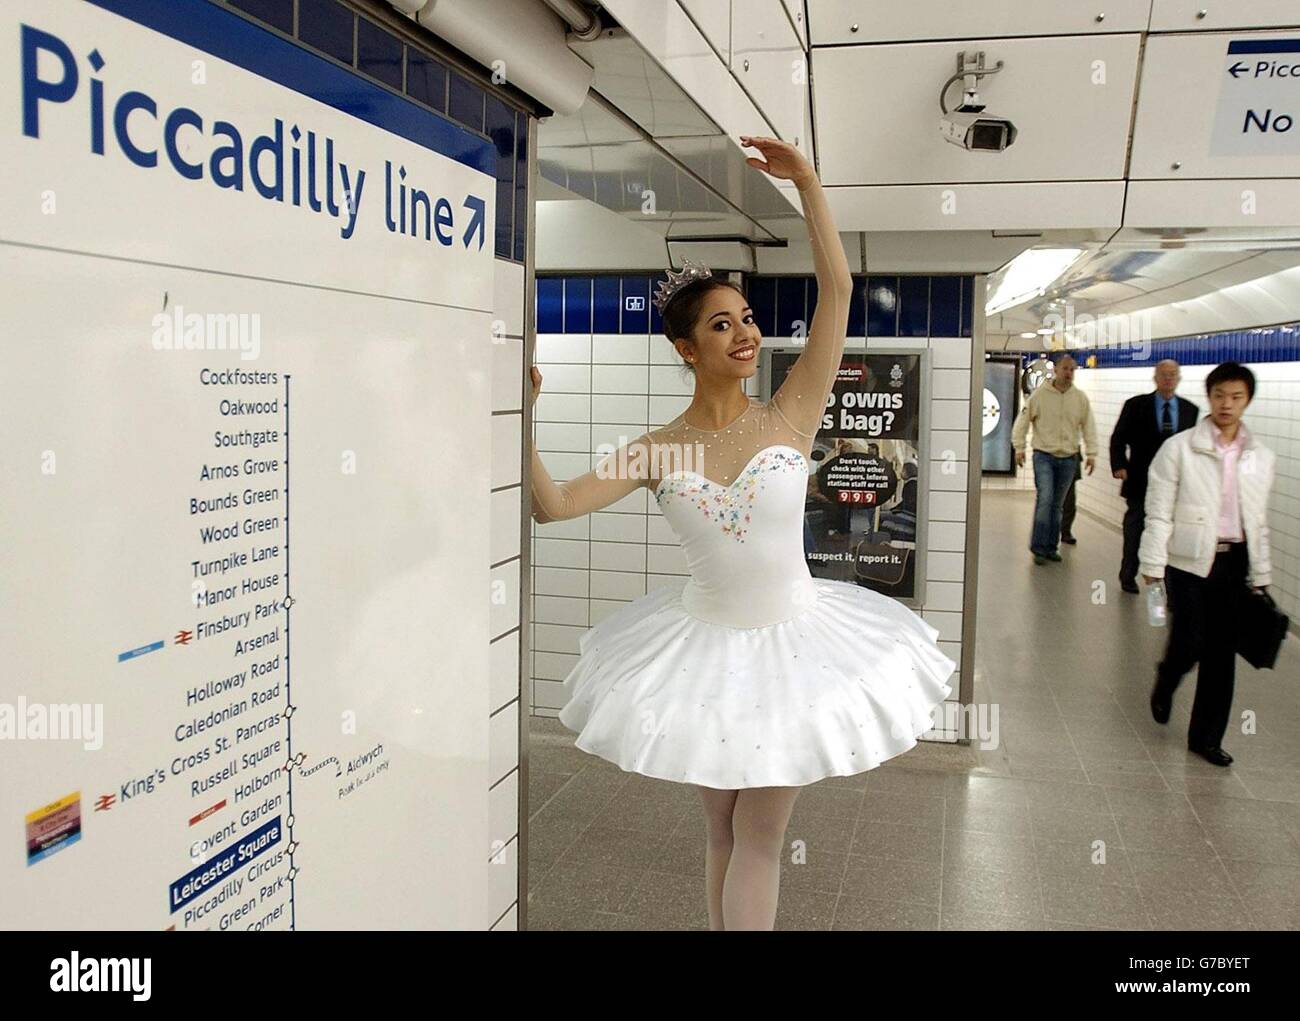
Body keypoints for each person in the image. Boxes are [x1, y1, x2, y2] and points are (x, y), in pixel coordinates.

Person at [527, 136, 955, 931]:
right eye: (723, 325)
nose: (745, 333)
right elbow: (551, 505)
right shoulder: (659, 449)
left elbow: (838, 285)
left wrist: (810, 185)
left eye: (748, 318)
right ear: (688, 350)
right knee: (723, 831)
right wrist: (518, 419)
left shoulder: (790, 412)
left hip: (794, 646)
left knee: (759, 834)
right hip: (705, 650)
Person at [1140, 362, 1275, 767]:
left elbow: (1258, 519)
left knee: (1221, 653)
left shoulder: (1260, 457)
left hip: (1235, 562)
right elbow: (1159, 510)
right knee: (1190, 639)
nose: (1227, 405)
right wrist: (1152, 561)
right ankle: (1167, 678)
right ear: (1208, 397)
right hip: (1188, 561)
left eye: (1236, 397)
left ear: (1247, 400)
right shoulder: (1179, 448)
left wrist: (1262, 574)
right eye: (1219, 396)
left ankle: (1206, 737)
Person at [1109, 359, 1199, 592]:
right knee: (1134, 531)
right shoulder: (1136, 405)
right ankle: (1128, 575)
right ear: (1155, 378)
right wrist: (1119, 465)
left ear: (1178, 378)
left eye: (1173, 374)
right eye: (1164, 374)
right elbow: (1118, 438)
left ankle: (1170, 587)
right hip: (1140, 480)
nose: (1168, 378)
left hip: (1176, 487)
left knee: (1171, 536)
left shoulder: (1190, 411)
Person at [1010, 354, 1098, 564]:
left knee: (1057, 505)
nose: (1068, 373)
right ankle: (1038, 548)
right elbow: (1023, 422)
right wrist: (1019, 448)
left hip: (1069, 457)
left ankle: (1051, 546)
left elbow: (1089, 426)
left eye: (1072, 370)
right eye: (1065, 369)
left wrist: (1092, 453)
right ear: (1056, 370)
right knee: (1046, 499)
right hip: (1044, 456)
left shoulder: (1080, 398)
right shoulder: (1040, 396)